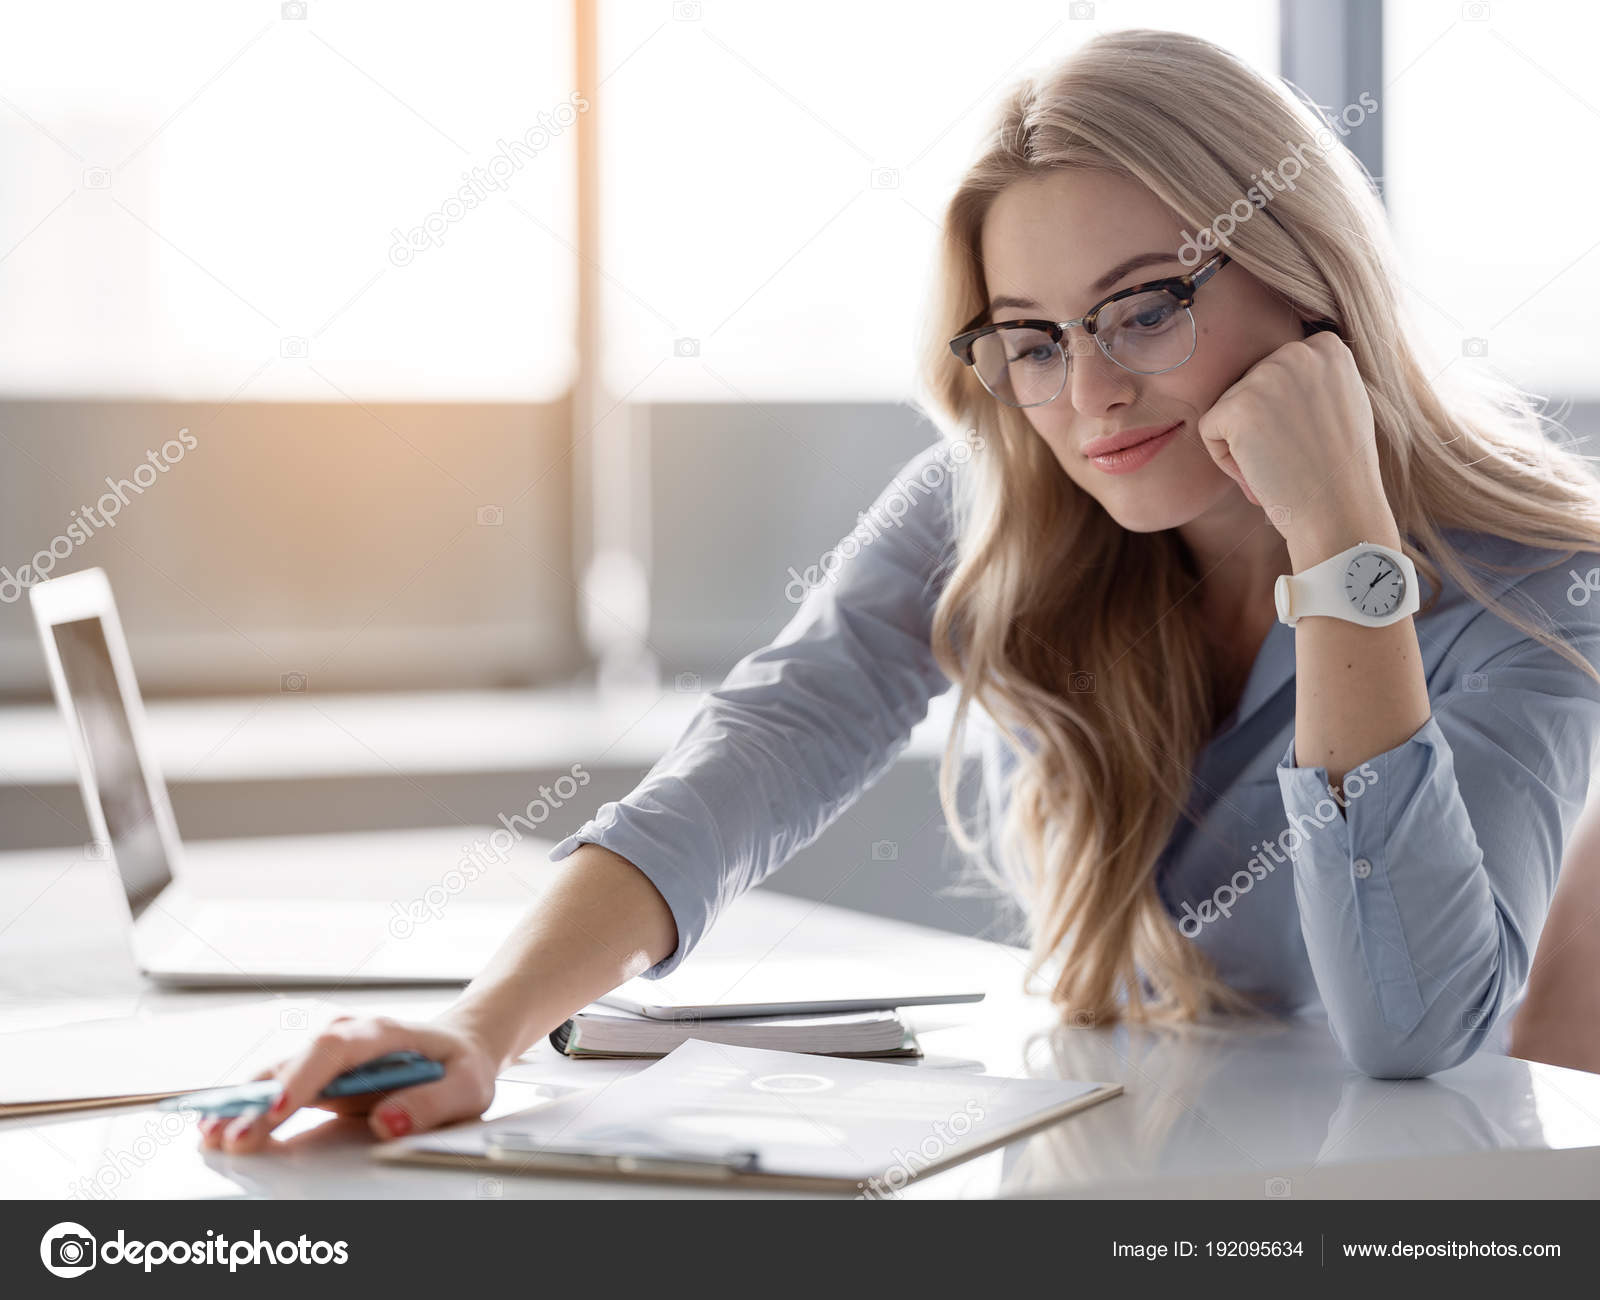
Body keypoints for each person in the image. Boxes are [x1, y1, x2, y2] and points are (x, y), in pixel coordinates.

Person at [203, 28, 1600, 1154]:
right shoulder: (1008, 500)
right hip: (1123, 1166)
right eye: (1032, 339)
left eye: (1145, 305)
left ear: (1308, 283)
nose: (1090, 391)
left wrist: (1340, 541)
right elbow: (775, 733)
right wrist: (484, 1027)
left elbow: (1414, 1034)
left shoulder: (1538, 586)